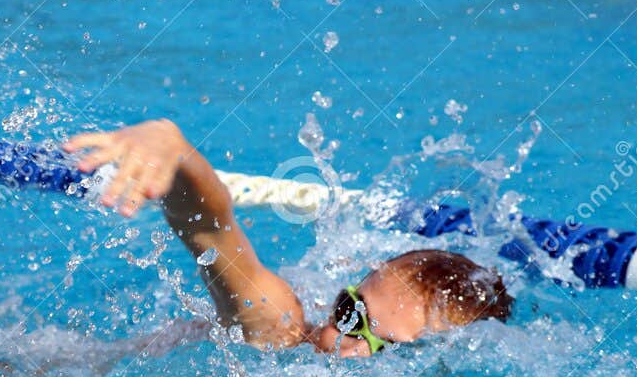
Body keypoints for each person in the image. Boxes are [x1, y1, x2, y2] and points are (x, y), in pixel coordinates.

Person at [65, 120, 513, 355]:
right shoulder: (281, 328)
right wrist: (173, 149)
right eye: (349, 311)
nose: (337, 339)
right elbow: (213, 230)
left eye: (374, 341)